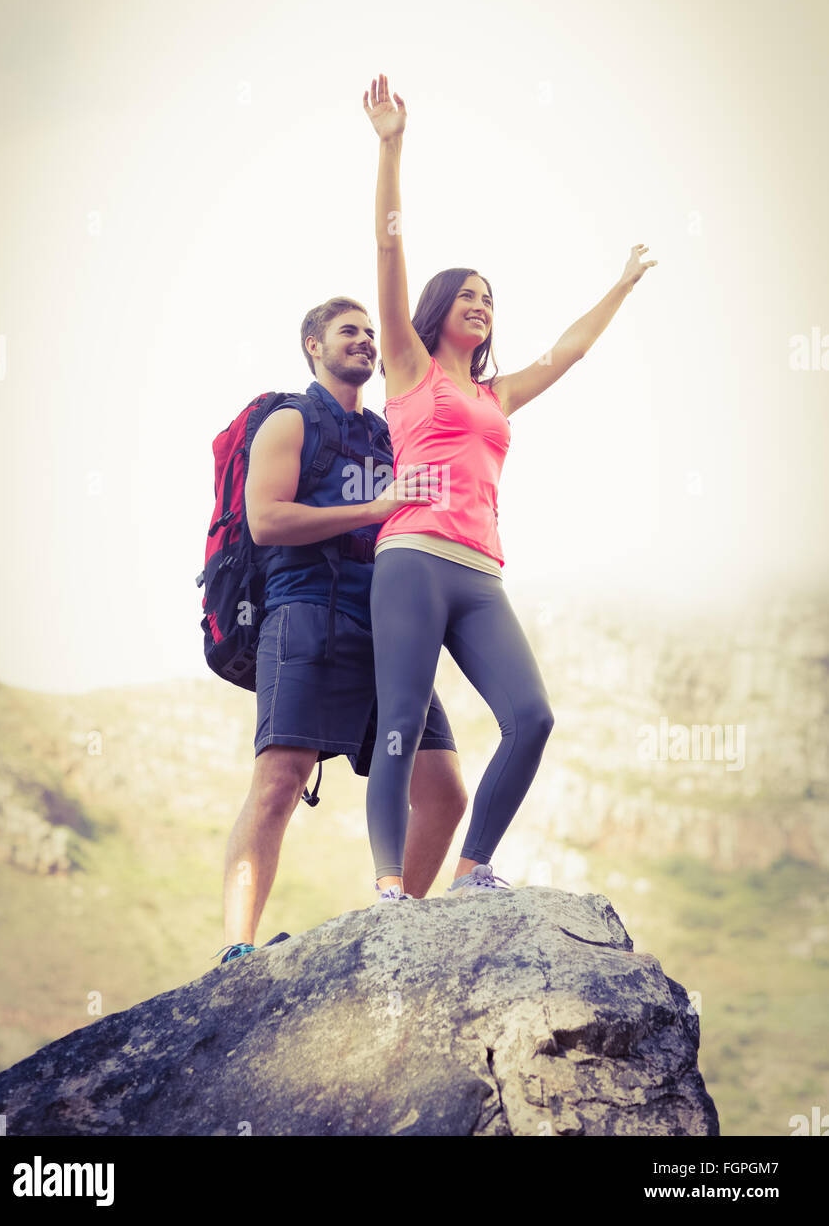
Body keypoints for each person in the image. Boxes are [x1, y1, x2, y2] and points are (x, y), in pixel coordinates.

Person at [362, 73, 658, 900]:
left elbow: (567, 353)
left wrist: (622, 284)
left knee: (532, 717)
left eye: (490, 298)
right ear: (437, 311)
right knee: (399, 727)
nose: (483, 306)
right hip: (413, 559)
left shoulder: (497, 394)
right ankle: (389, 887)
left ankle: (471, 871)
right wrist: (392, 148)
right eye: (468, 296)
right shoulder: (410, 366)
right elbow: (388, 252)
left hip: (481, 574)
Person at [216, 297, 468, 962]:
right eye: (347, 331)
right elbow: (266, 520)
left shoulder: (387, 433)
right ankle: (237, 951)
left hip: (389, 626)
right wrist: (378, 505)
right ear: (312, 345)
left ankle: (388, 935)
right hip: (306, 610)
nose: (363, 341)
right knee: (280, 777)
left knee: (443, 792)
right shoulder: (290, 420)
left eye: (368, 333)